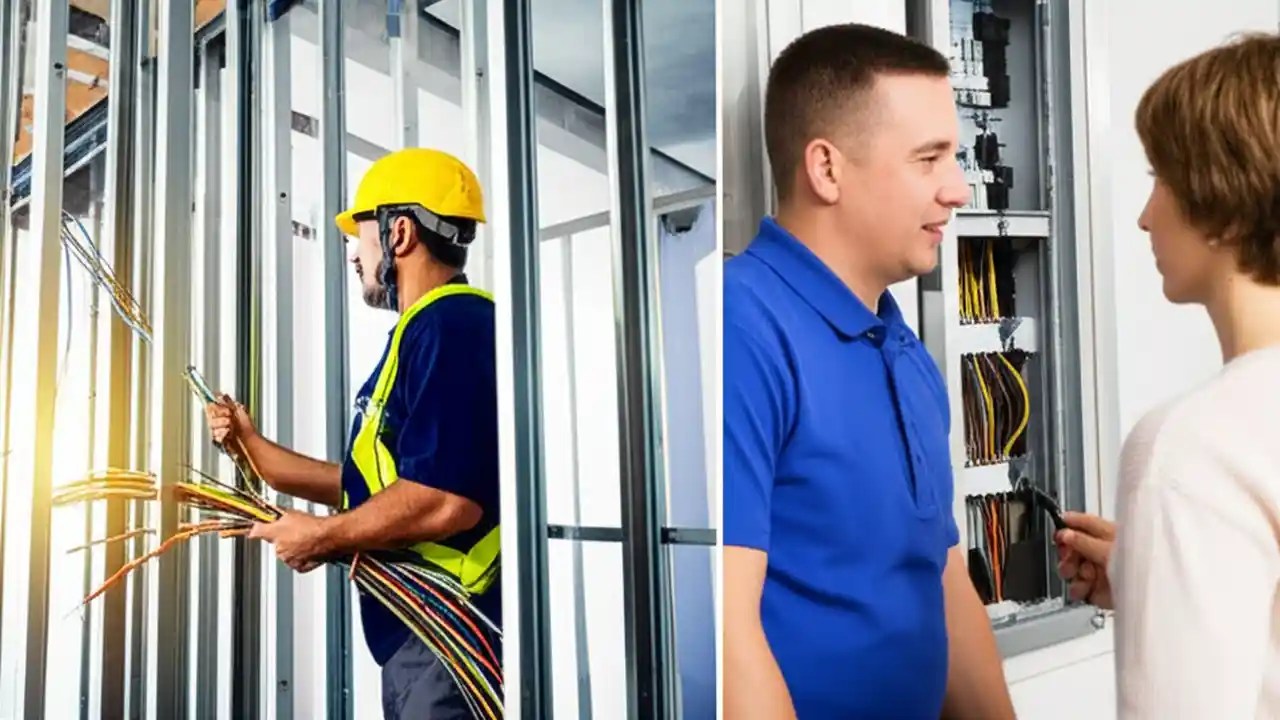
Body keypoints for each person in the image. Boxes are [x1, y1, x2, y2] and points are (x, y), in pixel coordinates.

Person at [722, 23, 1015, 719]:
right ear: (826, 169)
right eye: (928, 158)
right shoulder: (746, 327)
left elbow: (941, 581)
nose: (958, 190)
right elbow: (732, 632)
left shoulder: (901, 347)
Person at [205, 148, 500, 720]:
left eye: (361, 235)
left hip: (449, 633)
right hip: (421, 638)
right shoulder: (423, 331)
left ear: (400, 233)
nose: (354, 254)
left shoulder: (452, 324)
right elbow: (372, 484)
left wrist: (323, 536)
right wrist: (252, 447)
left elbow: (445, 502)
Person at [1055, 32, 1280, 718]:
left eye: (1161, 179)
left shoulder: (1190, 447)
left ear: (1224, 204)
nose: (1145, 215)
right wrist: (1168, 578)